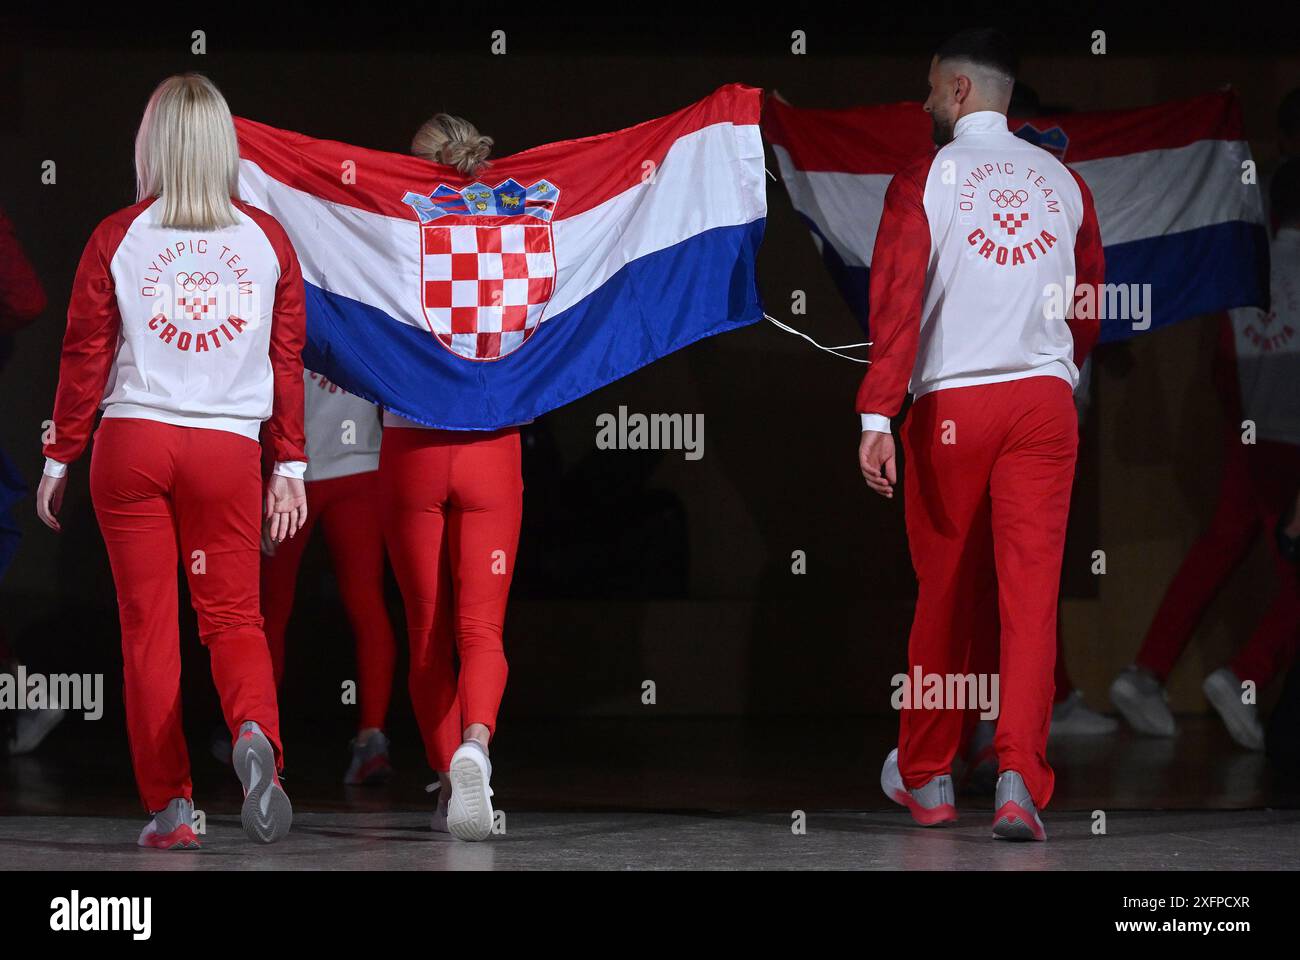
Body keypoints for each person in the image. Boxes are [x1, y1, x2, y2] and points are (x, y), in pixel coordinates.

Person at [35, 74, 304, 848]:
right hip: (227, 449)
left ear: (150, 145)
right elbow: (287, 362)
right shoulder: (268, 240)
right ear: (225, 147)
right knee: (234, 619)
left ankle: (174, 811)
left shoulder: (117, 236)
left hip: (133, 444)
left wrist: (59, 455)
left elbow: (85, 353)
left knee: (148, 630)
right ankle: (255, 735)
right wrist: (288, 465)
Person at [859, 28, 1104, 841]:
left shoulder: (924, 177)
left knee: (946, 597)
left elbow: (893, 304)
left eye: (931, 87)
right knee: (1029, 602)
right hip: (1042, 406)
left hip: (955, 409)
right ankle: (1017, 783)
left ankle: (927, 779)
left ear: (960, 92)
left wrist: (875, 413)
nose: (925, 101)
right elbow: (1089, 306)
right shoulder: (1064, 183)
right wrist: (1057, 373)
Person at [1110, 158, 1300, 750]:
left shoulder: (1248, 265)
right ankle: (1244, 674)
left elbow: (1222, 366)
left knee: (1220, 544)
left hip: (1248, 432)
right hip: (1293, 441)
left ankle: (1146, 672)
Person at [378, 113, 522, 842]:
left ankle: (445, 785)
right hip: (494, 444)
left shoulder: (389, 232)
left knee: (427, 633)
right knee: (481, 628)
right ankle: (477, 747)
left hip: (411, 448)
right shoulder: (521, 229)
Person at [258, 369, 398, 783]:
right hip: (350, 464)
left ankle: (258, 741)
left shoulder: (275, 302)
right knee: (366, 605)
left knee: (270, 613)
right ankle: (370, 740)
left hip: (293, 470)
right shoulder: (368, 299)